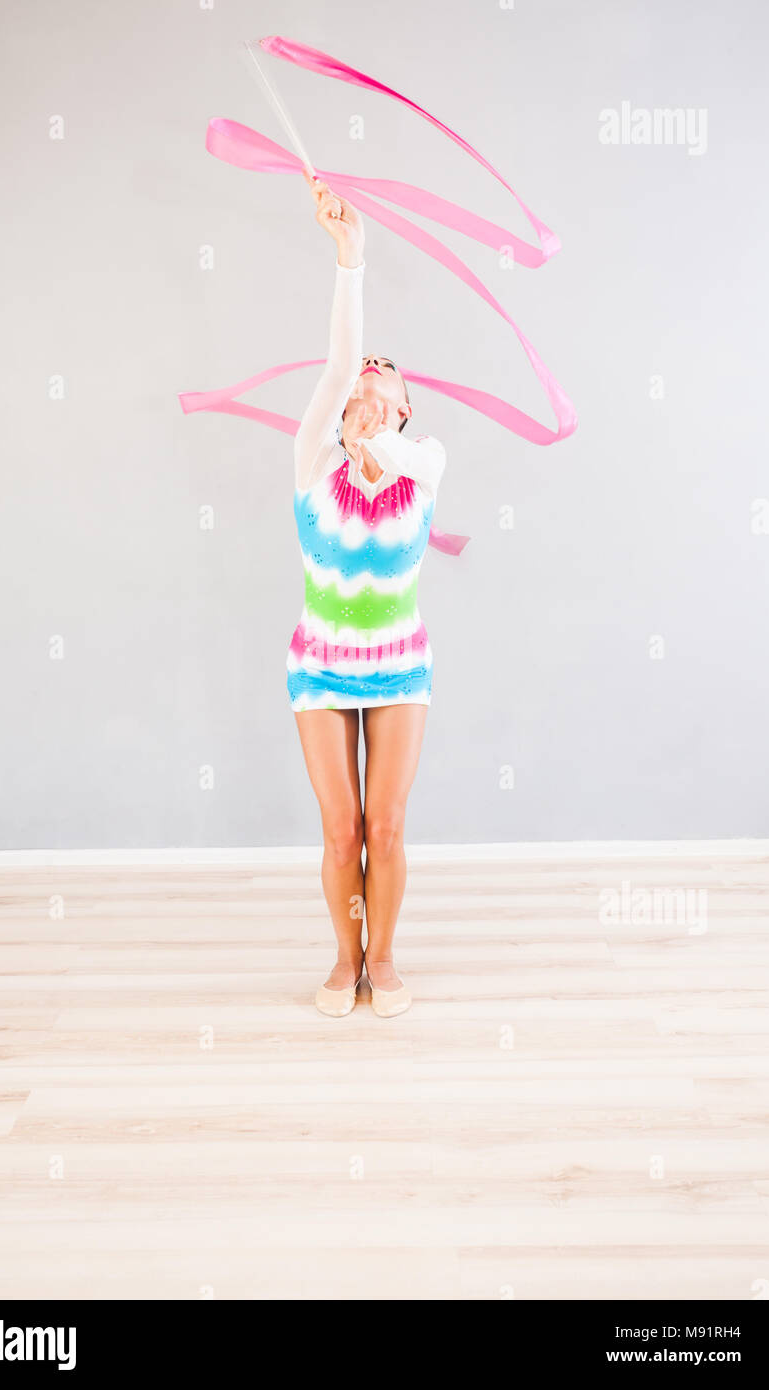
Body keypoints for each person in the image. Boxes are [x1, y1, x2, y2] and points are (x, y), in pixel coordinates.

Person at [289, 174, 446, 1020]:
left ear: (408, 409)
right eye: (359, 385)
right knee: (341, 830)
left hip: (398, 673)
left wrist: (382, 433)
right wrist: (351, 260)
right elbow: (340, 363)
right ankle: (343, 958)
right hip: (319, 670)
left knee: (384, 828)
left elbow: (409, 452)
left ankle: (383, 959)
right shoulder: (313, 463)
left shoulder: (428, 469)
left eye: (387, 386)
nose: (368, 387)